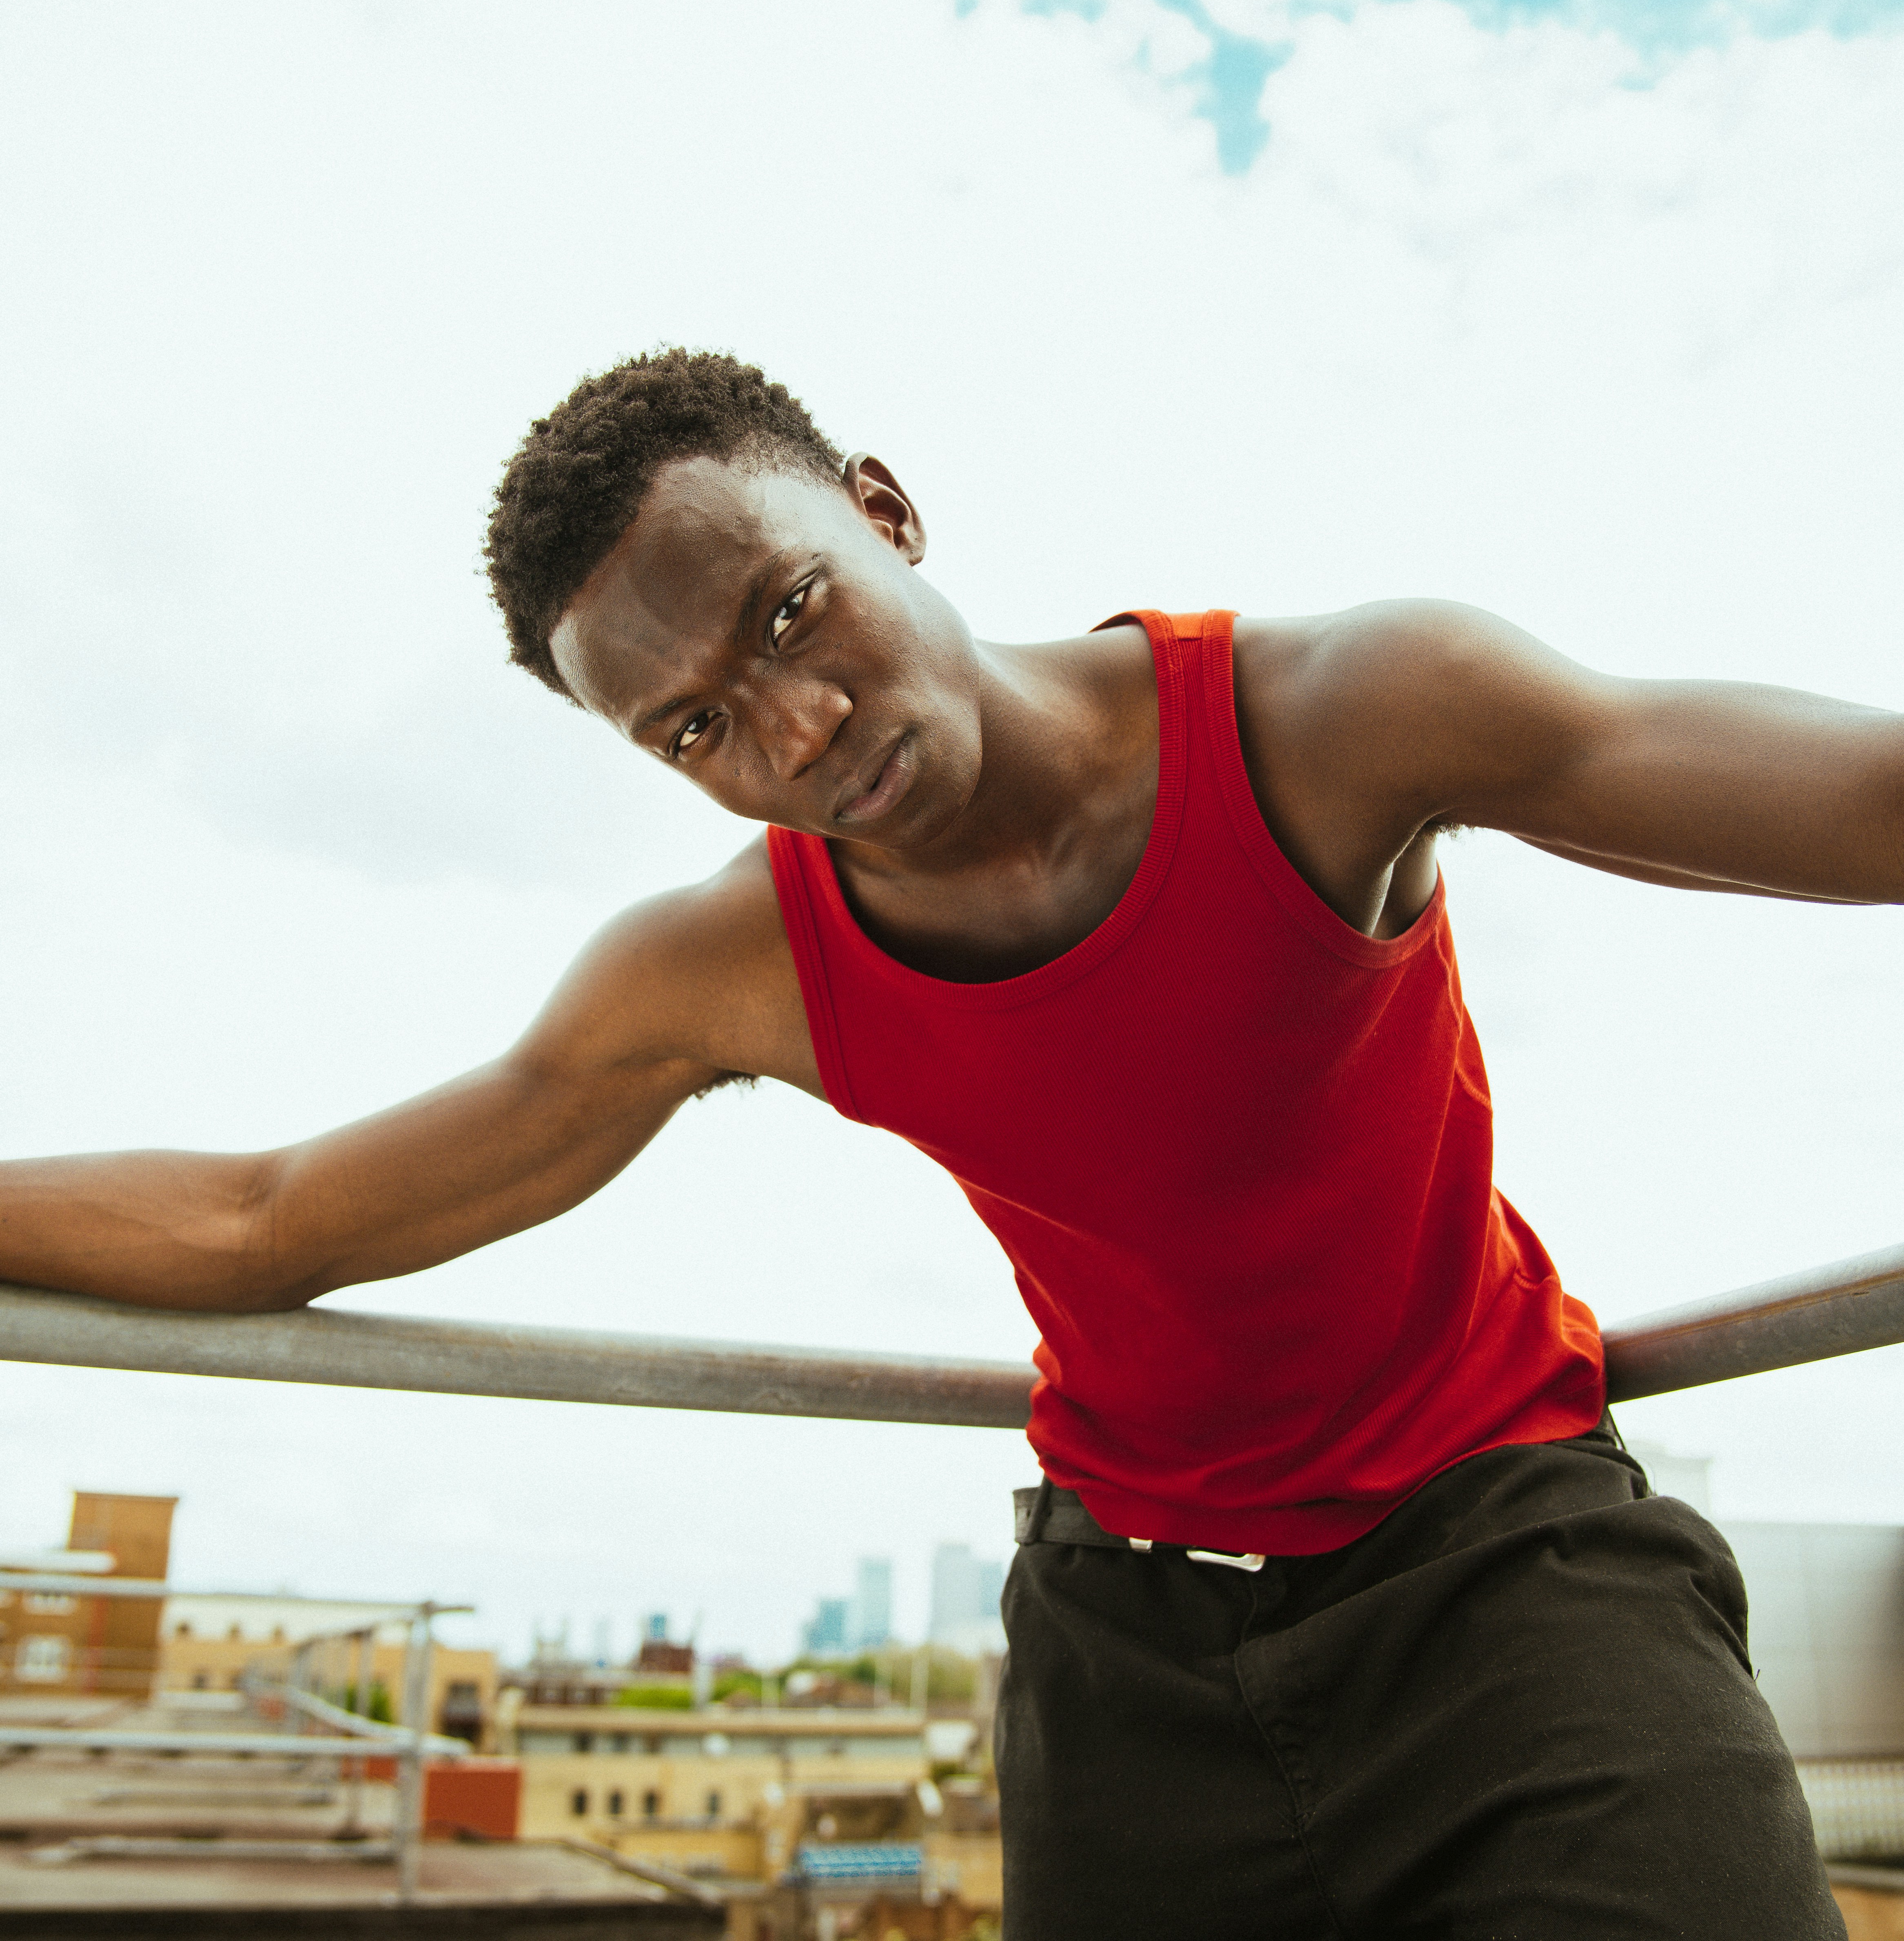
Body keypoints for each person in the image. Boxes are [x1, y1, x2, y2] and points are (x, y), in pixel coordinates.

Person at [4, 346, 1897, 1937]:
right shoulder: (733, 965)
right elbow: (270, 1216)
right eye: (700, 726)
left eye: (793, 607)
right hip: (1125, 1646)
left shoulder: (1334, 720)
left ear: (887, 510)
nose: (801, 727)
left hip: (1511, 1564)